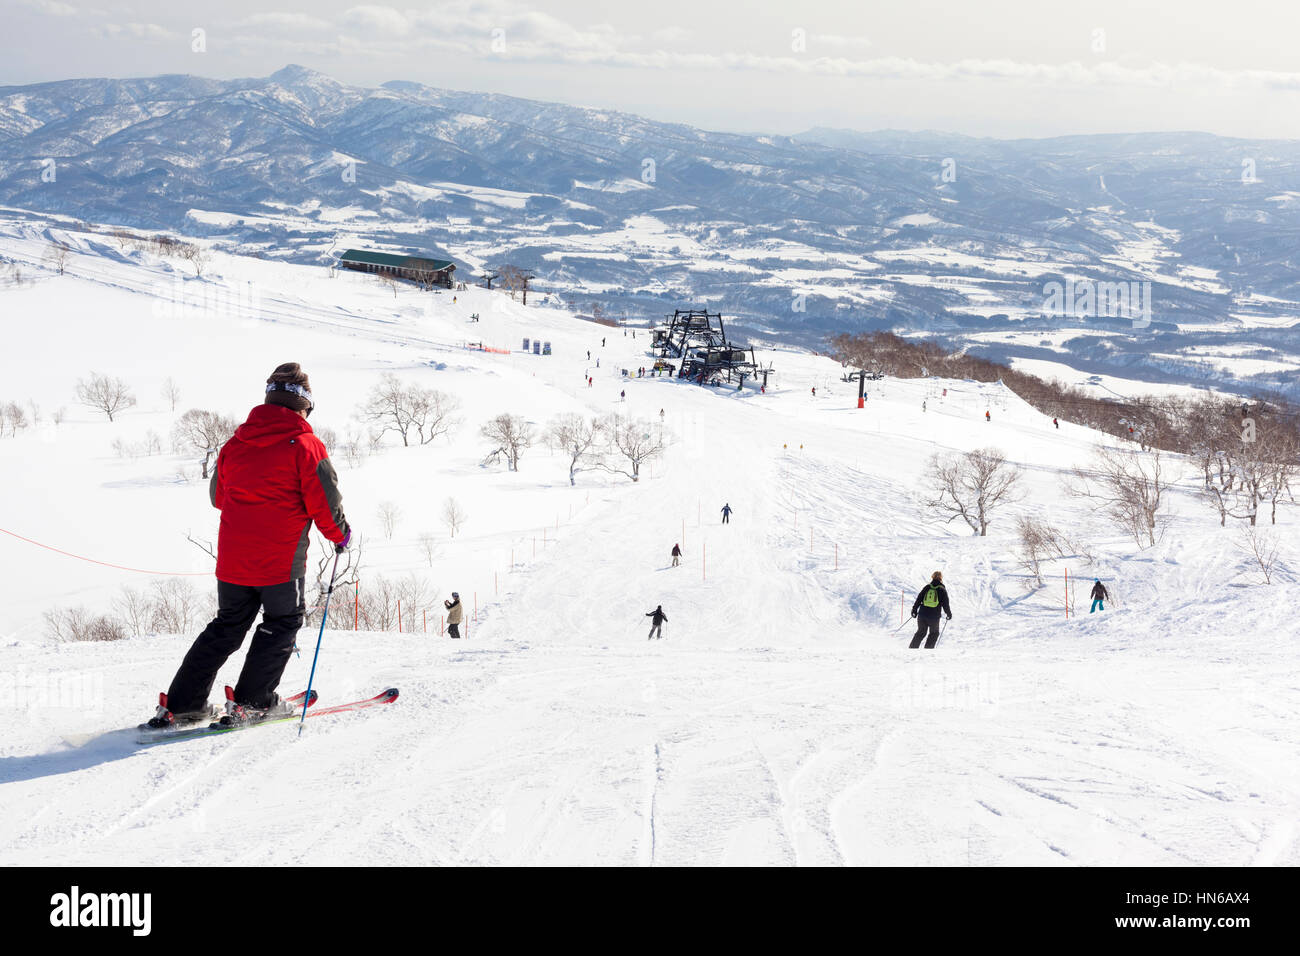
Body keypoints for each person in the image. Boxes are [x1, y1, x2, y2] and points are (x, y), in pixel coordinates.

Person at [143, 363, 350, 729]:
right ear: (302, 407)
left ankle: (183, 704)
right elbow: (325, 504)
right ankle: (254, 701)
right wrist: (341, 535)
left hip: (234, 562)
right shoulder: (306, 446)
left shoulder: (235, 444)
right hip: (281, 563)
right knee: (283, 622)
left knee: (227, 627)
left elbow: (219, 498)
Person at [909, 571, 952, 649]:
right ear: (941, 578)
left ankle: (912, 650)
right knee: (934, 633)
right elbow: (945, 604)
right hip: (934, 617)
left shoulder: (927, 587)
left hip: (922, 615)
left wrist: (914, 610)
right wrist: (949, 614)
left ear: (932, 577)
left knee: (921, 632)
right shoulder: (942, 589)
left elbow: (919, 599)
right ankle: (927, 652)